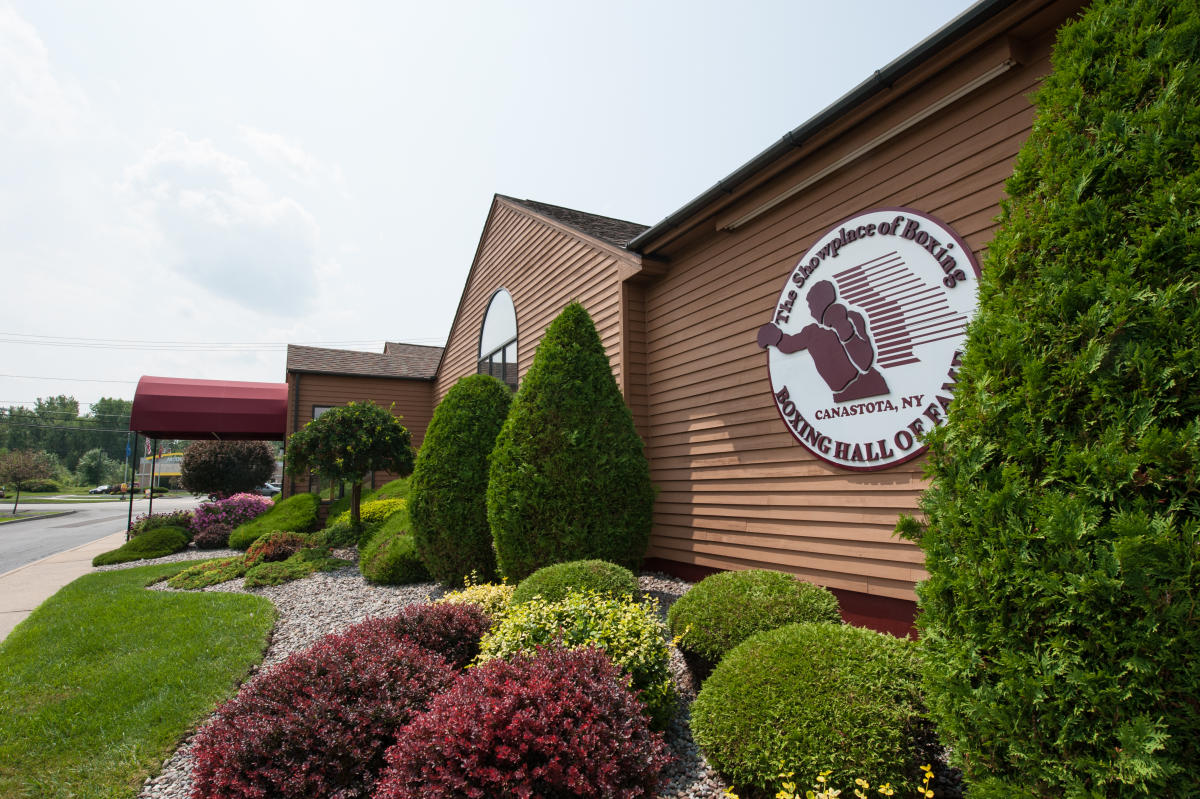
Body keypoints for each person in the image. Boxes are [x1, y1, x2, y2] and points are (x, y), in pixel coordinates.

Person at [758, 280, 890, 402]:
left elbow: (789, 344)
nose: (811, 312)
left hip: (858, 388)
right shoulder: (850, 318)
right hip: (858, 388)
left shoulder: (816, 331)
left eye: (811, 306)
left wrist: (774, 337)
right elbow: (789, 344)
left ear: (819, 304)